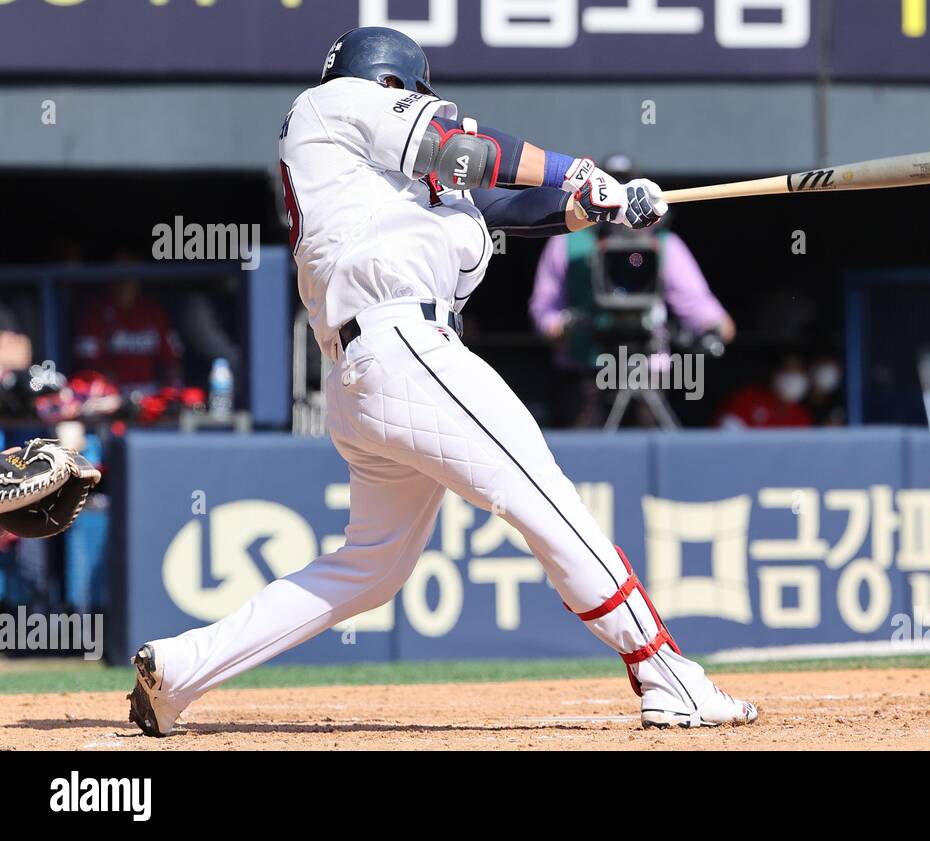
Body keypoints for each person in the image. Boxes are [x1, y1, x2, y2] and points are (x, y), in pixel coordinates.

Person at [127, 26, 756, 736]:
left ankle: (180, 669)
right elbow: (463, 147)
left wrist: (607, 205)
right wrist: (577, 170)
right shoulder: (333, 105)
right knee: (542, 492)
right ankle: (665, 672)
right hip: (400, 343)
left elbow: (512, 206)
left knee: (373, 566)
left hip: (374, 370)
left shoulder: (390, 191)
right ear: (397, 83)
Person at [530, 154, 734, 427]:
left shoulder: (664, 244)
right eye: (614, 187)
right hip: (586, 369)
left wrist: (714, 327)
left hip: (648, 367)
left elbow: (697, 304)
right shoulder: (568, 241)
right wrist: (564, 326)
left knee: (654, 449)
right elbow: (544, 310)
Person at [74, 274, 182, 396]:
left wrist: (172, 391)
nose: (124, 282)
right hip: (109, 394)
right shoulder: (96, 313)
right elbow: (88, 366)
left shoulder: (153, 311)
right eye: (120, 274)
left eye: (130, 275)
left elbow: (171, 362)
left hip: (149, 391)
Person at [716, 355, 814, 429]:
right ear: (776, 374)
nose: (792, 380)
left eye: (797, 372)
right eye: (788, 371)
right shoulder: (749, 397)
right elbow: (726, 436)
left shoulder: (802, 416)